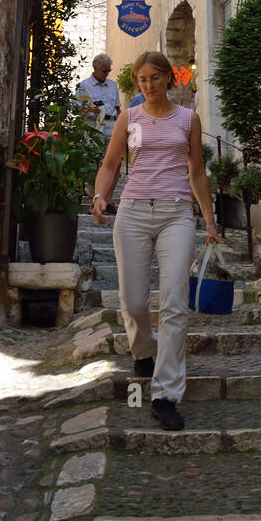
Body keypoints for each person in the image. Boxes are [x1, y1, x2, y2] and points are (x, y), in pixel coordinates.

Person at [91, 50, 222, 432]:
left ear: (169, 78)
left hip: (176, 213)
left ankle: (165, 395)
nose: (148, 85)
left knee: (174, 301)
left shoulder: (189, 119)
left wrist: (210, 220)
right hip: (131, 212)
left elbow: (197, 172)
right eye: (141, 80)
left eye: (154, 78)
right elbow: (110, 164)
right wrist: (101, 196)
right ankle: (143, 351)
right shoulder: (129, 117)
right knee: (132, 302)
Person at [75, 54, 120, 139]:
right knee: (94, 151)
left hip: (112, 125)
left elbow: (117, 108)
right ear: (95, 68)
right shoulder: (83, 86)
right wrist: (90, 110)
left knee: (113, 152)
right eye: (104, 71)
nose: (107, 74)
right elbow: (76, 109)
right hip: (93, 124)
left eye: (109, 71)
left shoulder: (113, 85)